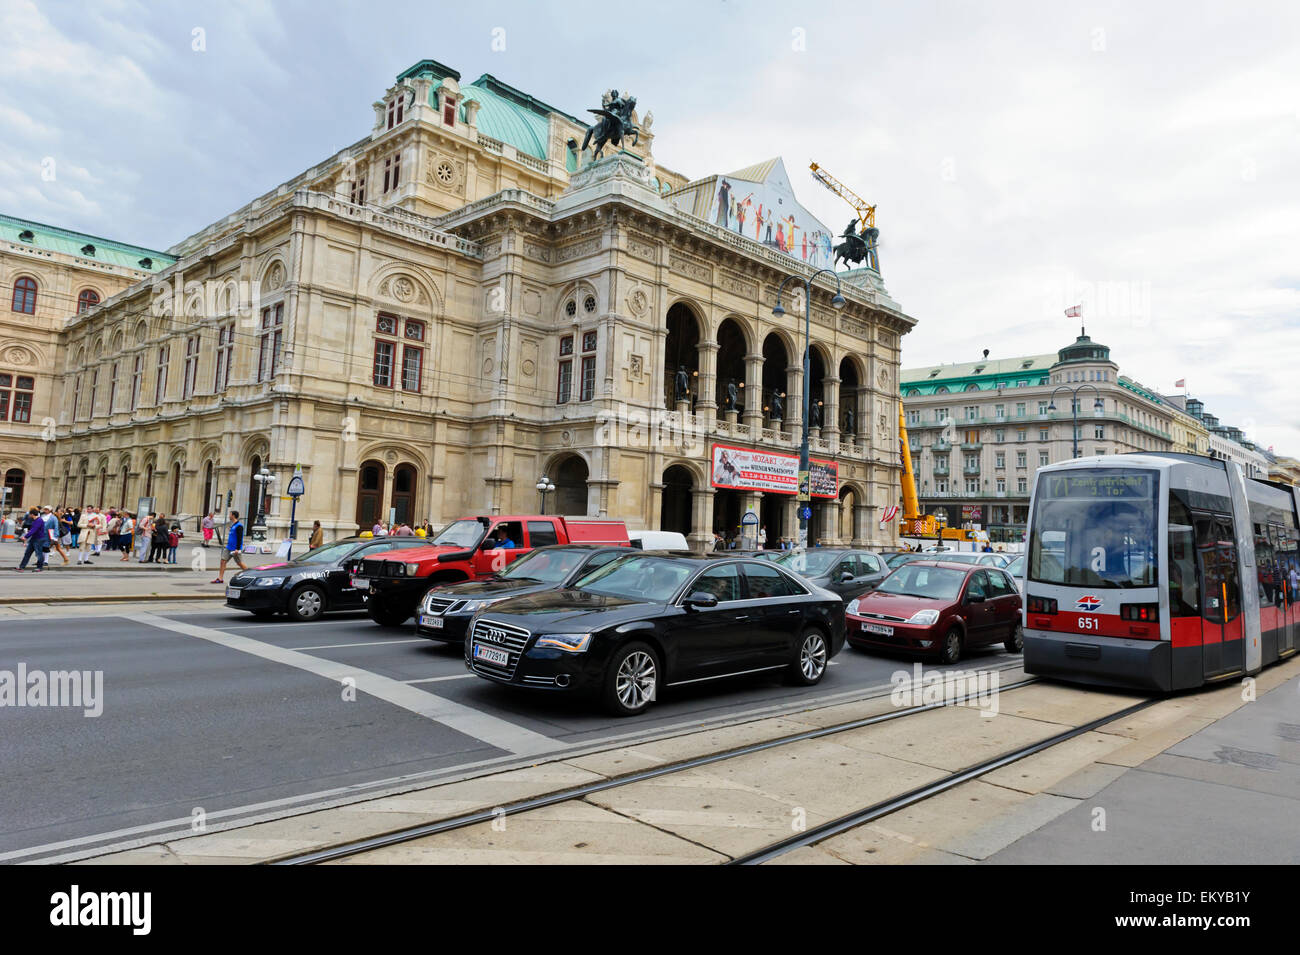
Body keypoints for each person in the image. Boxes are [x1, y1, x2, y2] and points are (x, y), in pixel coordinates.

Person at [212, 510, 248, 583]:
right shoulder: (233, 525)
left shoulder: (239, 526)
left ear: (233, 516)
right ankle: (220, 578)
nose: (229, 515)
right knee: (223, 561)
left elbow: (239, 538)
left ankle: (251, 575)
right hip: (229, 547)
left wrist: (237, 549)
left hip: (235, 549)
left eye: (230, 514)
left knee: (239, 563)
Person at [16, 507, 49, 572]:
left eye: (29, 514)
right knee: (27, 553)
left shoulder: (39, 520)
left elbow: (34, 530)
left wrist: (25, 537)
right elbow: (32, 530)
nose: (29, 515)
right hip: (34, 539)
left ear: (32, 514)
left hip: (39, 539)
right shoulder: (35, 520)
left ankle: (40, 567)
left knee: (39, 554)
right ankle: (21, 567)